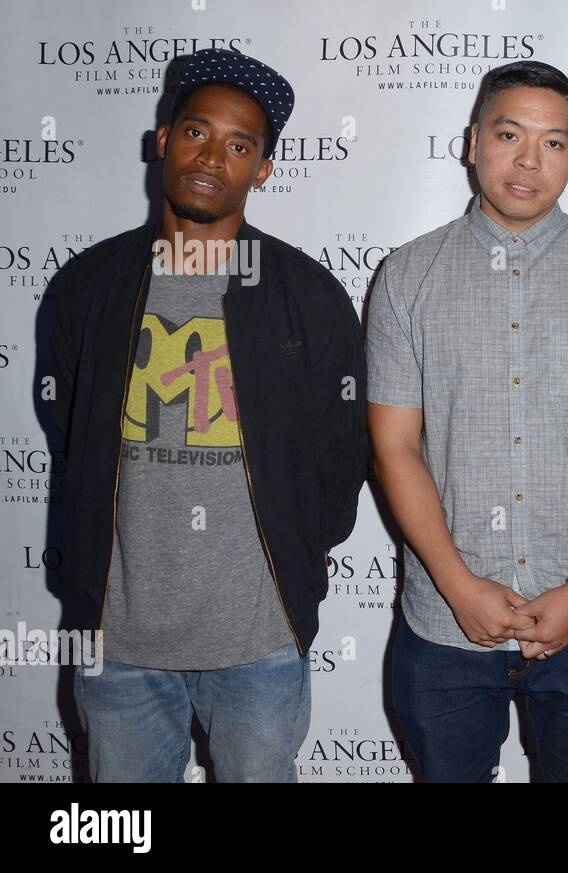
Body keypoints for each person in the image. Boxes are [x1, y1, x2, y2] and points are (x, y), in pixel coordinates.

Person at [49, 48, 369, 782]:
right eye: (196, 133)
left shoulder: (308, 295)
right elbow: (68, 431)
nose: (211, 157)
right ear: (163, 140)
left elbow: (340, 450)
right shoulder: (90, 286)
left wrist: (302, 555)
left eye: (239, 145)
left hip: (258, 640)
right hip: (120, 640)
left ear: (261, 170)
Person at [368, 61, 568, 783]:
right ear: (473, 142)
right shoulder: (407, 277)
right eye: (509, 135)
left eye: (554, 143)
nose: (530, 160)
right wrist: (458, 586)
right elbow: (395, 447)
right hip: (443, 627)